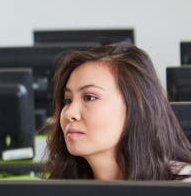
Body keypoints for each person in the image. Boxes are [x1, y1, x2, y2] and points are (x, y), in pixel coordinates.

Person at [46, 42, 191, 181]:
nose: (69, 113)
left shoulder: (183, 189)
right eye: (68, 100)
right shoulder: (59, 187)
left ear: (135, 106)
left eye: (89, 97)